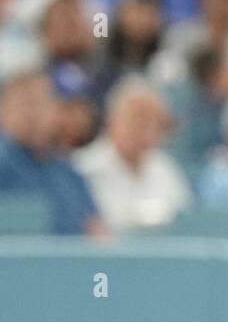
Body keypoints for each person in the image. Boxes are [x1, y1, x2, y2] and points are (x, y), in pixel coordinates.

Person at [0, 70, 105, 237]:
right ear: (2, 111)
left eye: (43, 103)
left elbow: (96, 227)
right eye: (25, 104)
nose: (34, 114)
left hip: (71, 259)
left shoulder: (66, 169)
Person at [74, 77, 192, 232]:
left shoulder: (166, 169)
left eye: (153, 123)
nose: (144, 130)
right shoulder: (82, 169)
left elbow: (186, 224)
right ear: (111, 120)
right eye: (136, 118)